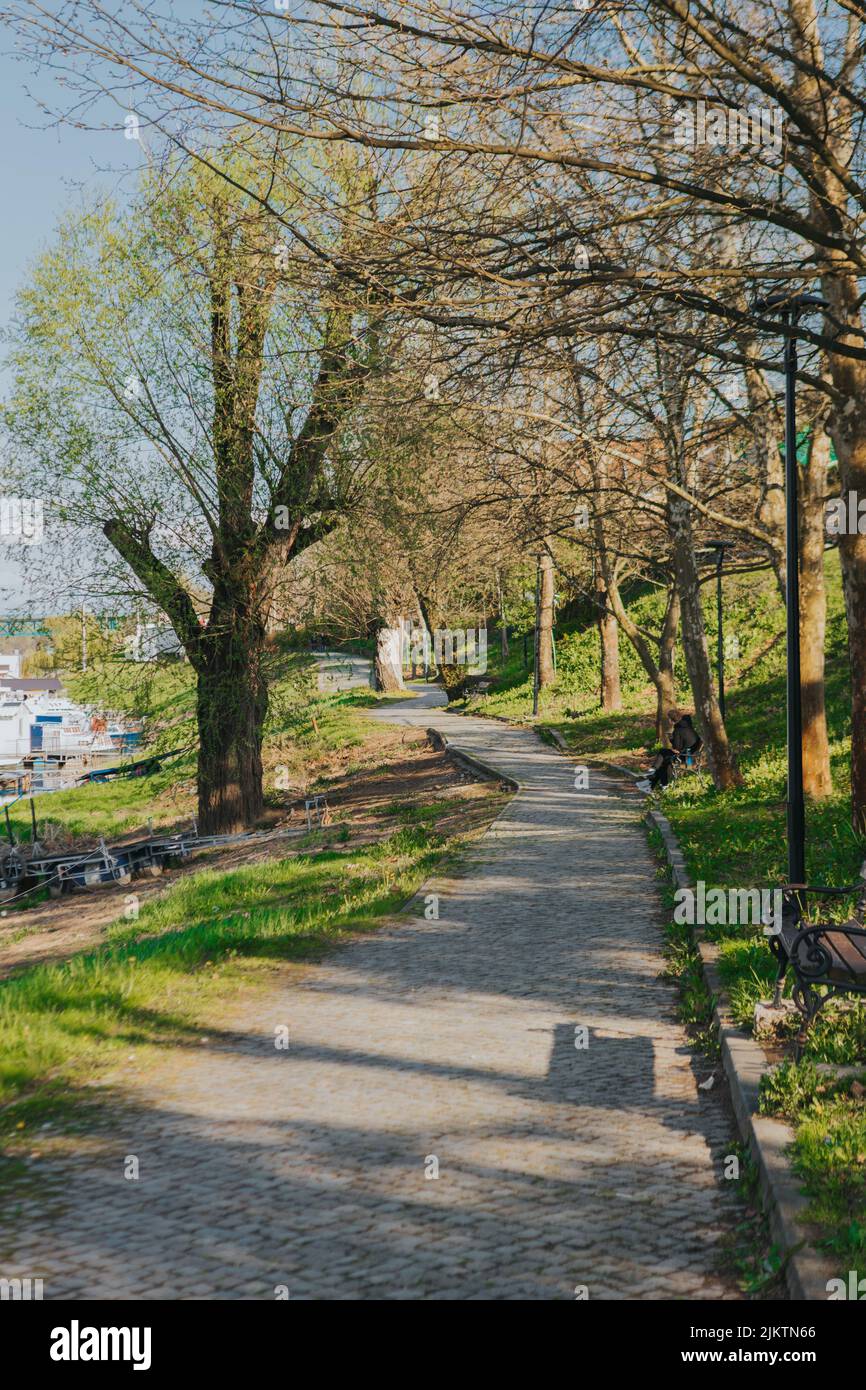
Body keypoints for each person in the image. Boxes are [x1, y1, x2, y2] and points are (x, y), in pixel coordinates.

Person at [636, 710, 703, 793]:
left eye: (668, 719)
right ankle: (653, 784)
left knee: (663, 753)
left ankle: (656, 777)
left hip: (686, 758)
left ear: (671, 720)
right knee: (664, 760)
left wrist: (671, 738)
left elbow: (677, 748)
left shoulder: (678, 730)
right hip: (691, 756)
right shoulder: (690, 728)